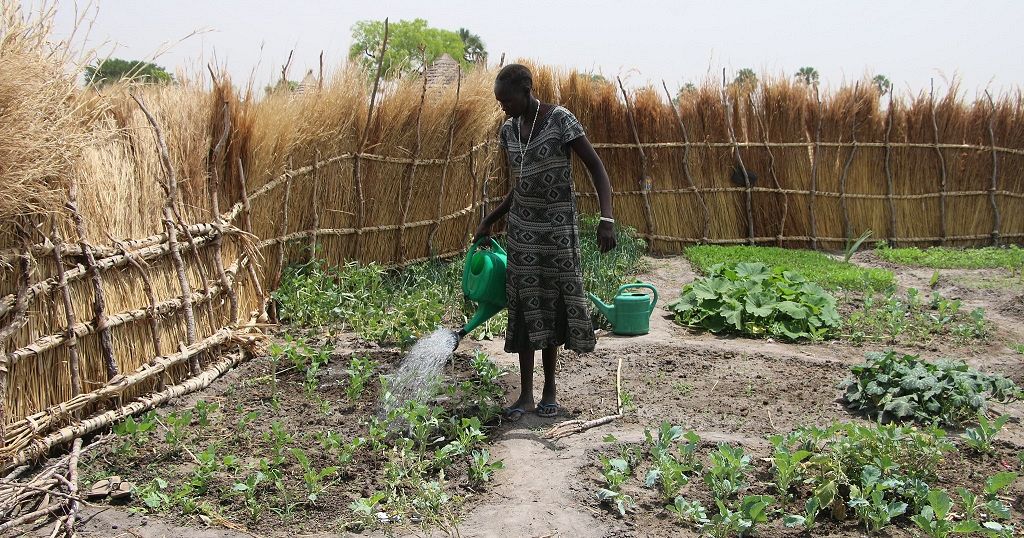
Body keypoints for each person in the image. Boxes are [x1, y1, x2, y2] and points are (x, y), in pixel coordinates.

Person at [474, 64, 616, 420]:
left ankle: (549, 390)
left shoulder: (560, 120)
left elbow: (596, 168)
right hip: (522, 232)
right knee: (524, 307)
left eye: (507, 100)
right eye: (500, 102)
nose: (503, 107)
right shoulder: (508, 130)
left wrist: (606, 218)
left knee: (551, 306)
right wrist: (491, 219)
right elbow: (520, 185)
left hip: (556, 229)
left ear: (527, 90)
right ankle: (524, 395)